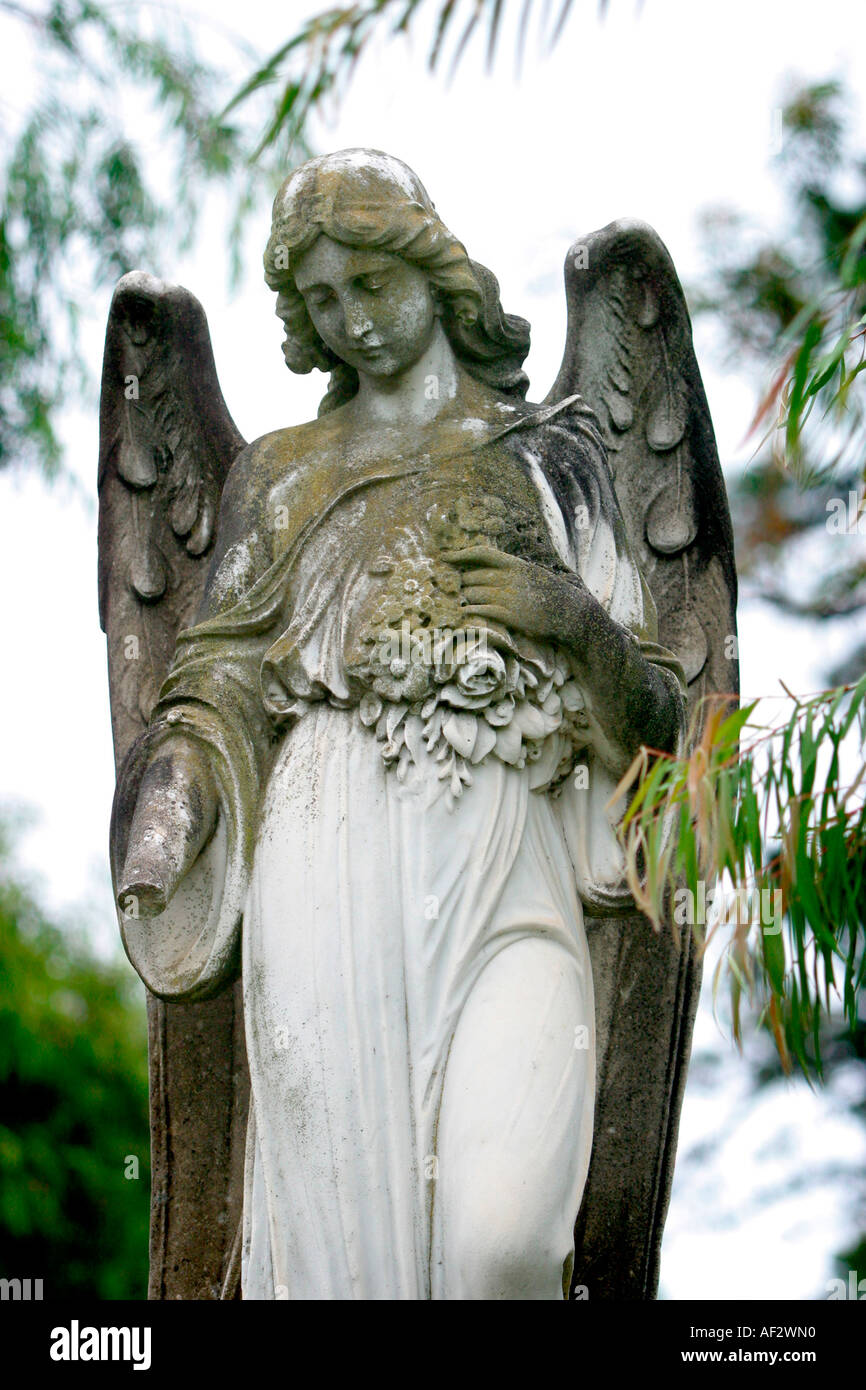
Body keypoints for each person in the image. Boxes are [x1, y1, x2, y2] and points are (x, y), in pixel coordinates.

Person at [113, 149, 685, 1299]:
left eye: (372, 284)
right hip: (319, 883)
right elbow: (211, 677)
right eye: (324, 303)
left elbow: (673, 737)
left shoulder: (553, 459)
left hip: (508, 880)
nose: (354, 323)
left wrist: (569, 623)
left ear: (432, 270)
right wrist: (171, 799)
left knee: (505, 1250)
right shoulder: (277, 479)